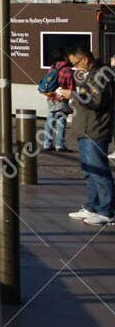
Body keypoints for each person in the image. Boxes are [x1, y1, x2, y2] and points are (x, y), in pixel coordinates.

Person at [58, 45, 114, 226]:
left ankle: (107, 211)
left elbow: (96, 101)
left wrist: (72, 95)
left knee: (99, 171)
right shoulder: (90, 74)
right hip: (85, 128)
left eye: (76, 63)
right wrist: (70, 98)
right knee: (89, 171)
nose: (75, 67)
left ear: (85, 59)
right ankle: (93, 206)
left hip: (95, 129)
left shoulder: (101, 75)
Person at [43, 56, 76, 152]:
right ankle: (59, 145)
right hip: (62, 98)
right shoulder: (68, 70)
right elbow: (71, 88)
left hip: (51, 97)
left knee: (50, 120)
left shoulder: (53, 67)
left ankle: (47, 144)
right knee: (61, 121)